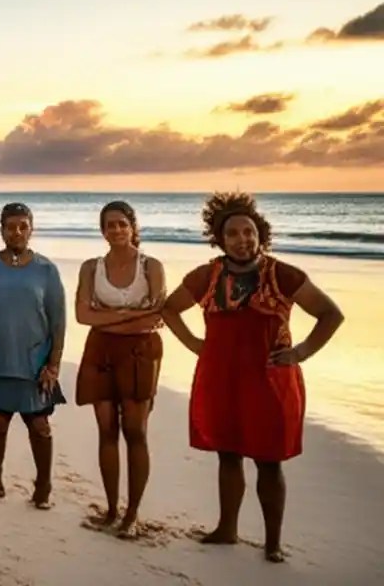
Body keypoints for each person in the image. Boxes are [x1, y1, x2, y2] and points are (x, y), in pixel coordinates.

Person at [161, 192, 343, 563]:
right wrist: (196, 344)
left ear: (261, 235)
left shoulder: (283, 274)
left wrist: (300, 353)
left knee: (268, 461)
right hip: (221, 378)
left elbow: (330, 314)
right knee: (227, 456)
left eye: (249, 232)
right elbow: (168, 308)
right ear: (220, 238)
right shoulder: (206, 276)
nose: (242, 239)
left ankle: (272, 542)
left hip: (270, 381)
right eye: (233, 234)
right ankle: (227, 529)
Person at [73, 201, 166, 538]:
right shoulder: (90, 267)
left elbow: (157, 318)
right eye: (109, 225)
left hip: (140, 351)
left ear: (133, 227)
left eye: (122, 224)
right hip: (100, 350)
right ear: (102, 230)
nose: (116, 230)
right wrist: (132, 315)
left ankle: (132, 514)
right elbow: (83, 316)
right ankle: (111, 509)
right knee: (107, 430)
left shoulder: (151, 266)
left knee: (136, 431)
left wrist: (108, 318)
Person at [0, 202, 67, 509]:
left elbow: (58, 320)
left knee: (40, 428)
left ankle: (43, 487)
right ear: (1, 230)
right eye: (10, 226)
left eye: (23, 226)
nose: (16, 232)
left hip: (33, 364)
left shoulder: (46, 270)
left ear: (31, 229)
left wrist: (53, 364)